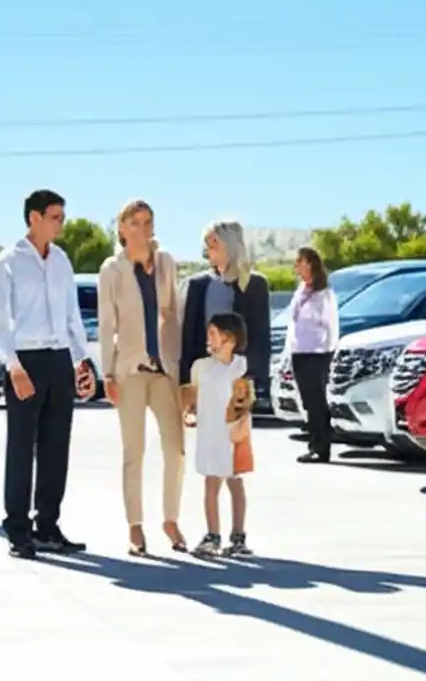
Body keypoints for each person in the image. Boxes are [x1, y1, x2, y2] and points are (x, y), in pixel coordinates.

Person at [0, 189, 95, 559]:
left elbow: (72, 315)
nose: (61, 223)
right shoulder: (7, 262)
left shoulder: (62, 260)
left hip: (59, 359)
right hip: (26, 363)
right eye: (55, 217)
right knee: (21, 449)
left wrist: (82, 360)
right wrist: (14, 367)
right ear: (34, 217)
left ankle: (47, 526)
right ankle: (18, 530)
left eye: (62, 217)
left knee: (55, 448)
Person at [98, 199, 188, 557]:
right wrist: (107, 371)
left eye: (147, 221)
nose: (141, 228)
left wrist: (179, 369)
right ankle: (135, 525)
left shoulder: (166, 262)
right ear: (121, 229)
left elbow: (174, 314)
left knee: (176, 449)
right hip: (130, 371)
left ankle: (170, 518)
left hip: (164, 370)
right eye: (133, 222)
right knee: (134, 451)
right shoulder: (112, 270)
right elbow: (107, 324)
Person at [179, 220, 272, 413]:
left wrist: (256, 380)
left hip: (238, 376)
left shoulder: (255, 285)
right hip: (205, 375)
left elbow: (261, 338)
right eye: (207, 243)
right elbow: (187, 338)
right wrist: (185, 382)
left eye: (214, 242)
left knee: (237, 437)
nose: (208, 249)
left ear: (230, 244)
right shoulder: (197, 285)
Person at [182, 312, 253, 557]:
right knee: (211, 482)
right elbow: (192, 396)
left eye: (214, 334)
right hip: (208, 433)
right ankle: (212, 535)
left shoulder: (240, 367)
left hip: (231, 434)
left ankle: (238, 536)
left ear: (230, 339)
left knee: (235, 482)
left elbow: (244, 399)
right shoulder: (201, 367)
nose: (209, 338)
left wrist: (241, 426)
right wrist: (189, 412)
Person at [286, 247, 339, 464]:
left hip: (317, 353)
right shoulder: (301, 290)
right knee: (307, 401)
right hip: (299, 351)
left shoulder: (324, 294)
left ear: (311, 264)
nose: (297, 266)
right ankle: (313, 443)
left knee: (317, 401)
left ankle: (322, 447)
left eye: (301, 261)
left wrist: (328, 350)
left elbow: (331, 324)